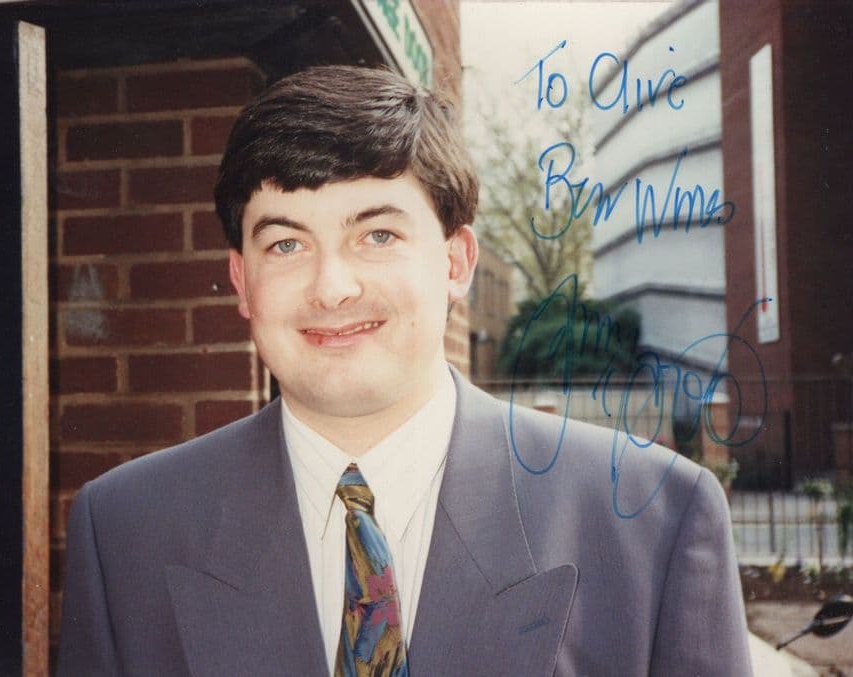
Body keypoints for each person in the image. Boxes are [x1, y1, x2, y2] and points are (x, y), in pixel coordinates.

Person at [58, 65, 752, 676]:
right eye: (287, 244)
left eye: (378, 234)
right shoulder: (125, 531)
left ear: (456, 262)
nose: (332, 288)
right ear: (241, 281)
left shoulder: (653, 520)